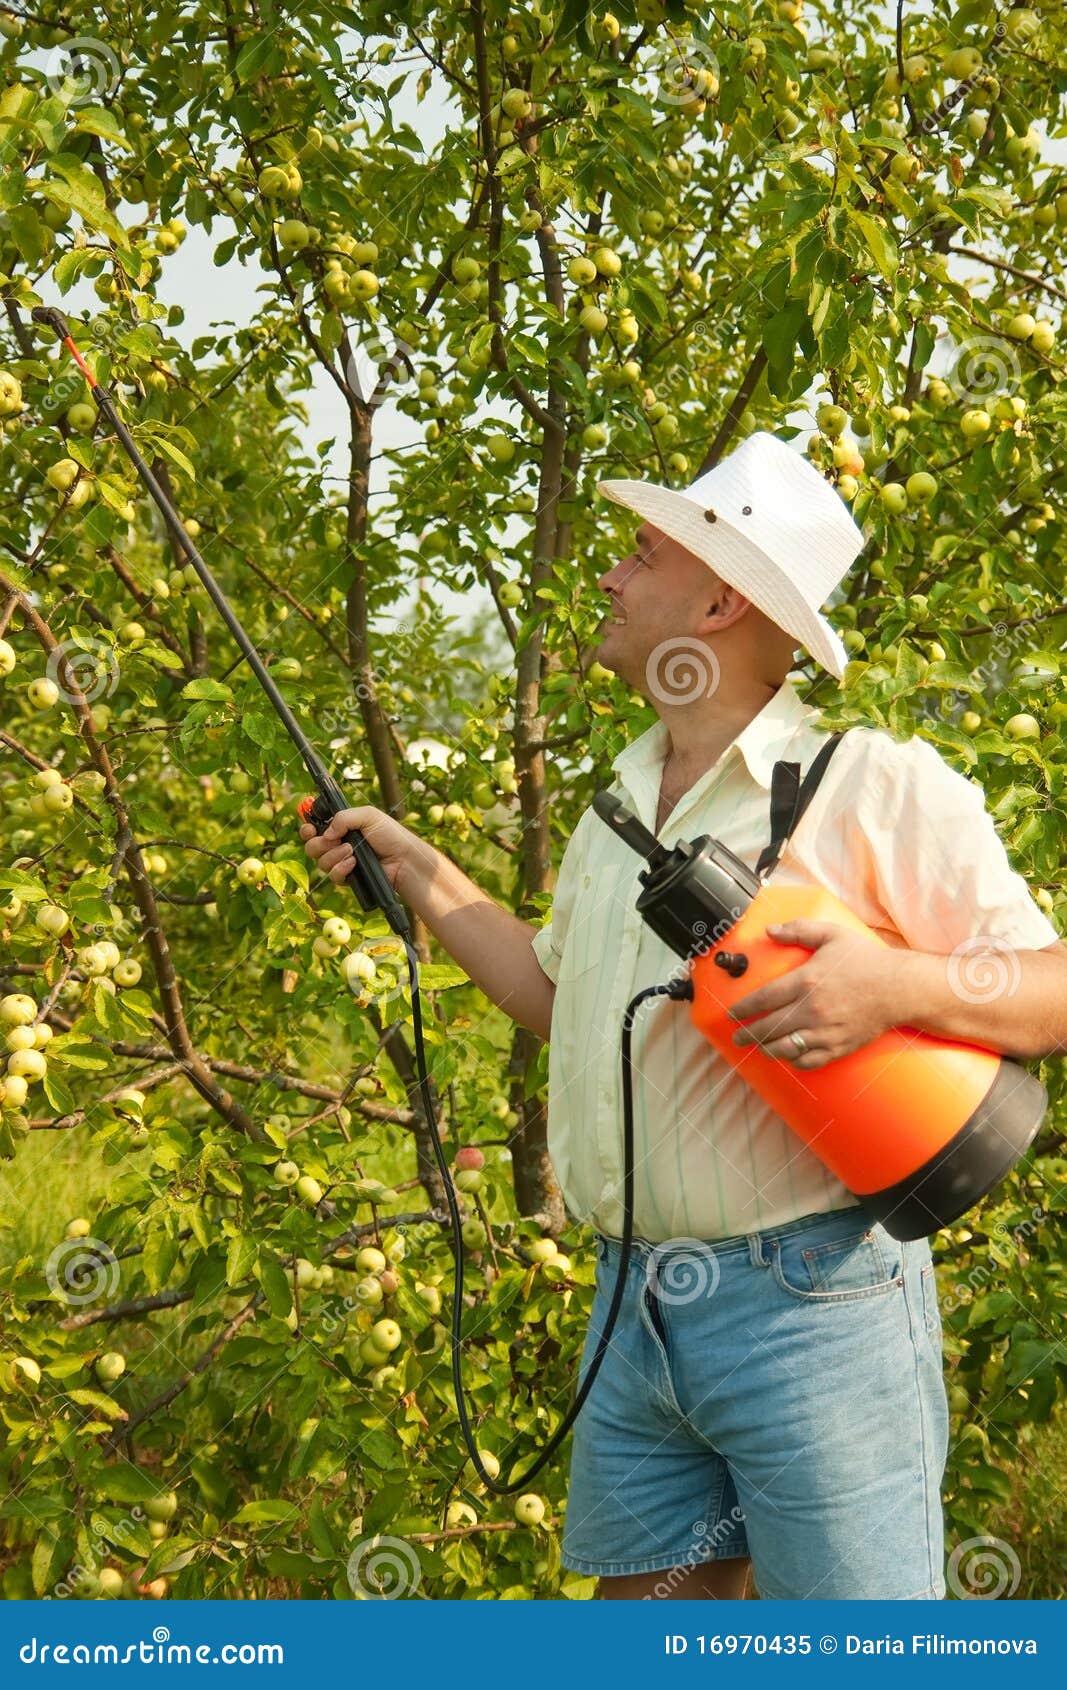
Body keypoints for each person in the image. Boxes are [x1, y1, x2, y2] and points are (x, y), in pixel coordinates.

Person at [301, 430, 1066, 1601]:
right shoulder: (619, 798)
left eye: (636, 554)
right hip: (632, 1307)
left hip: (810, 1305)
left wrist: (891, 985)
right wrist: (414, 866)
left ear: (715, 602)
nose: (607, 576)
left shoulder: (872, 781)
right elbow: (559, 1000)